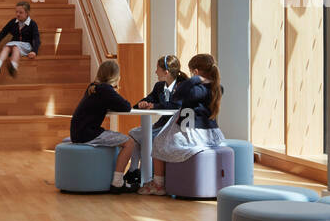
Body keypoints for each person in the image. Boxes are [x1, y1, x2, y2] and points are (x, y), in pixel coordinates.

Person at [137, 53, 225, 196]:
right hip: (211, 133)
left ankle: (159, 184)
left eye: (192, 73)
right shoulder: (217, 88)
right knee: (161, 140)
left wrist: (195, 79)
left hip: (192, 132)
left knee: (158, 142)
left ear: (195, 72)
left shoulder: (197, 90)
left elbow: (178, 94)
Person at [67, 59, 134, 191]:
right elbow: (126, 106)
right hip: (88, 134)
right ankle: (118, 182)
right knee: (129, 143)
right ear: (115, 76)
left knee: (122, 139)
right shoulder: (105, 89)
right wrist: (115, 90)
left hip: (78, 132)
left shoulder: (93, 87)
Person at [123, 55, 187, 191]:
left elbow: (176, 105)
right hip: (160, 126)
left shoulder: (182, 86)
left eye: (157, 69)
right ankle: (134, 172)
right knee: (133, 134)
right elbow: (148, 99)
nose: (155, 72)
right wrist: (141, 103)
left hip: (174, 127)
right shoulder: (159, 86)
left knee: (146, 138)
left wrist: (155, 106)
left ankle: (141, 175)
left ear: (166, 72)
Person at [0, 2, 40, 77]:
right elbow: (2, 34)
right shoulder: (13, 22)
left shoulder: (32, 24)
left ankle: (14, 66)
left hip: (26, 45)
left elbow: (36, 38)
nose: (18, 14)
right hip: (14, 43)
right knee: (6, 47)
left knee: (16, 47)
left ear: (27, 13)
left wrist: (34, 51)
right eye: (17, 12)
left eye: (21, 12)